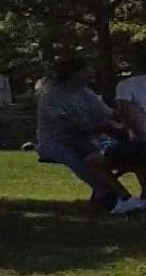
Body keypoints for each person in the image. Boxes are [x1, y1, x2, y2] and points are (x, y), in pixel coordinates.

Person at [36, 61, 146, 214]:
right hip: (57, 141)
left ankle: (133, 197)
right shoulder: (51, 96)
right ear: (73, 74)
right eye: (86, 70)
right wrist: (105, 127)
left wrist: (129, 114)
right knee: (82, 160)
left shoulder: (85, 92)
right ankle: (113, 196)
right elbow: (68, 126)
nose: (91, 73)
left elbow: (107, 113)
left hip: (90, 138)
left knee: (133, 153)